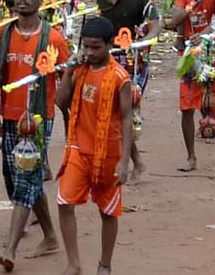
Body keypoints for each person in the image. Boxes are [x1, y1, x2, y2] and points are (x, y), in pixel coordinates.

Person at [0, 0, 67, 270]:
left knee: (26, 179)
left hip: (39, 120)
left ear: (42, 0)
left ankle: (10, 248)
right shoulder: (2, 34)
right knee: (15, 179)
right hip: (9, 117)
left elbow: (67, 81)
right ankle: (51, 236)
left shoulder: (53, 38)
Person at [54, 16, 133, 274]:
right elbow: (60, 102)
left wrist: (124, 161)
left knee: (108, 211)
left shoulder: (121, 78)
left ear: (110, 45)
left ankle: (105, 265)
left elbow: (126, 119)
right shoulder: (79, 70)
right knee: (64, 202)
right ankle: (74, 263)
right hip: (78, 148)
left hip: (107, 152)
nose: (89, 52)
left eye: (95, 47)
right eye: (86, 47)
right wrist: (68, 71)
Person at [94, 0, 158, 184]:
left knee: (125, 111)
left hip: (134, 61)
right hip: (109, 58)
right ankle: (135, 161)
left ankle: (132, 162)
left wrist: (143, 41)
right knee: (117, 113)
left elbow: (155, 23)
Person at [162, 0, 215, 172]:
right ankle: (191, 157)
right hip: (189, 55)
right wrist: (189, 7)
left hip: (212, 52)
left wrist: (207, 34)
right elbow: (174, 21)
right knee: (186, 106)